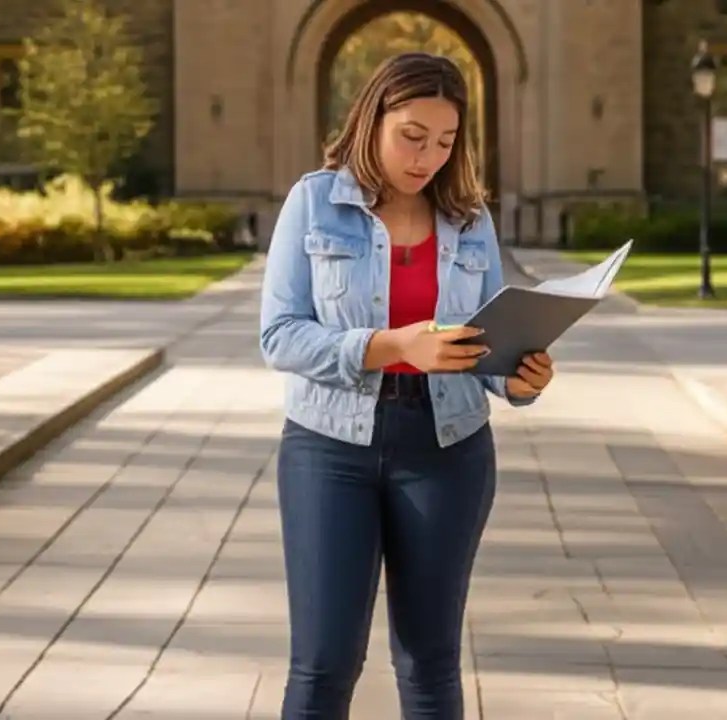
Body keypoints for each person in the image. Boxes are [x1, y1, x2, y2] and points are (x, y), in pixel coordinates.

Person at [258, 51, 555, 719]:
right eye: (412, 137)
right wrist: (392, 346)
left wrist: (521, 378)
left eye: (445, 142)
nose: (427, 157)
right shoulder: (314, 200)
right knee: (325, 663)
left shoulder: (469, 220)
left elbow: (480, 345)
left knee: (429, 663)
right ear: (373, 120)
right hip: (328, 450)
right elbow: (279, 335)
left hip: (448, 448)